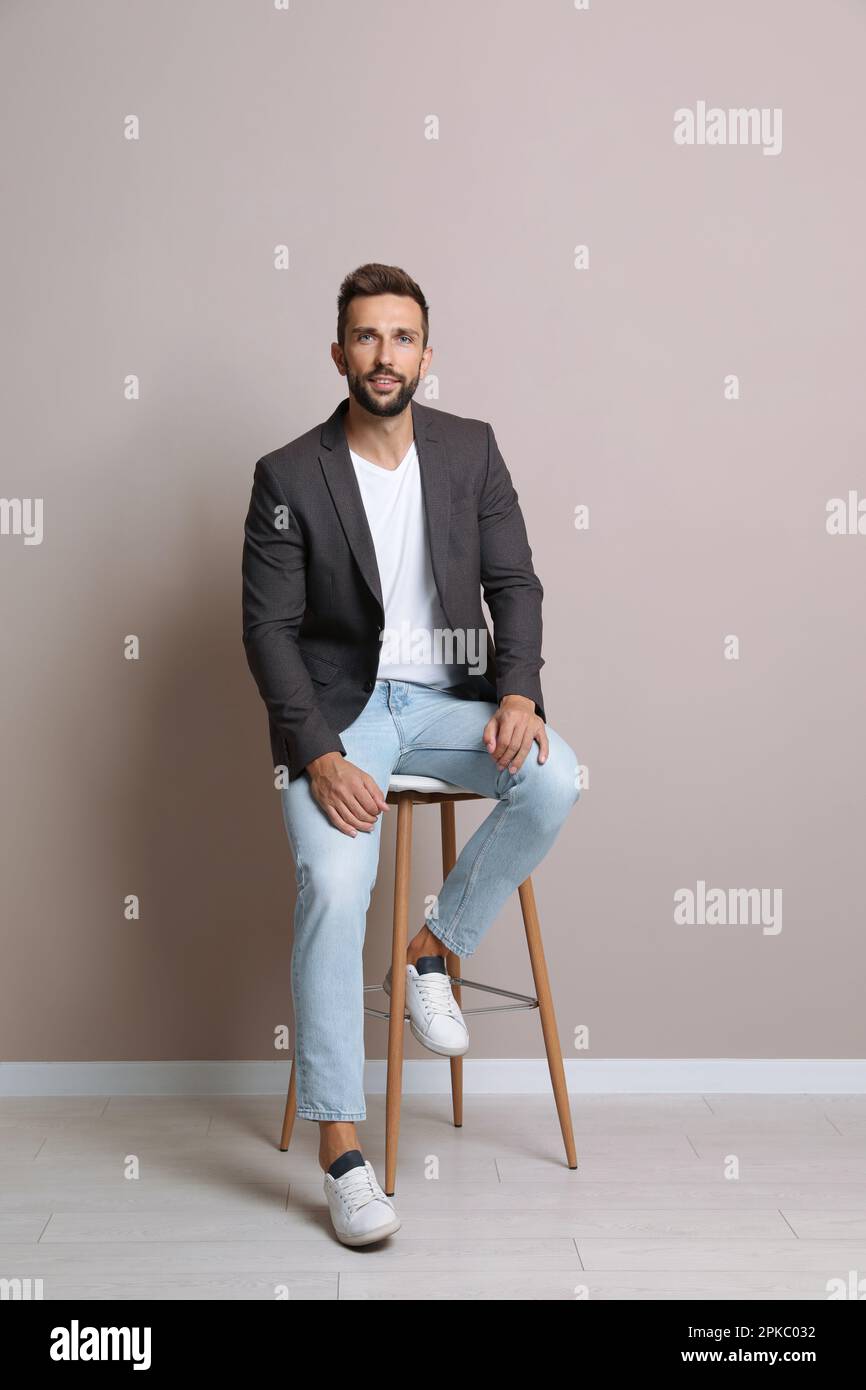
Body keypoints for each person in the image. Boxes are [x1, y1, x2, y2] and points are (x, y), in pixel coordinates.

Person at [242, 263, 581, 1246]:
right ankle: (342, 1153)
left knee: (553, 776)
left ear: (424, 357)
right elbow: (267, 632)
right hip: (341, 713)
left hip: (448, 698)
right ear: (337, 352)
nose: (382, 356)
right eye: (364, 336)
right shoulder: (288, 473)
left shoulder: (469, 451)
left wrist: (515, 690)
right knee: (334, 885)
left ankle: (432, 951)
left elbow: (514, 583)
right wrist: (316, 755)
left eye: (400, 338)